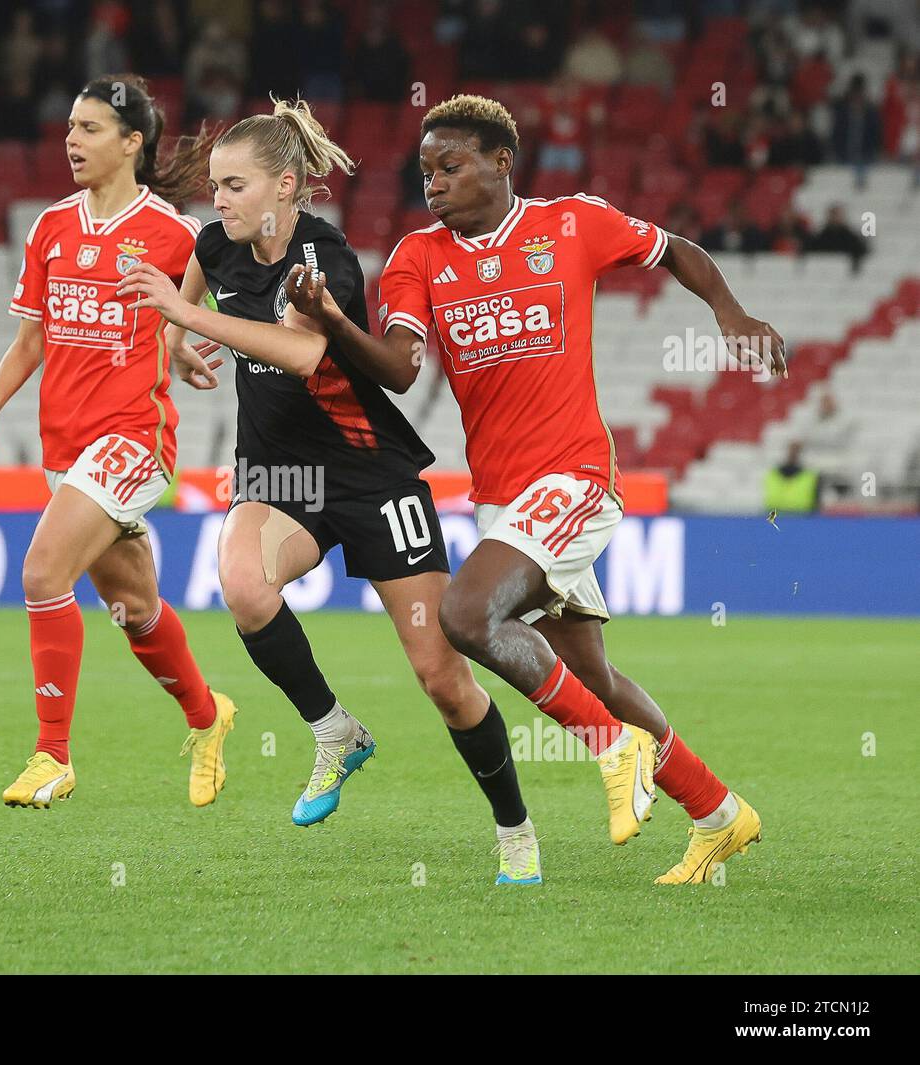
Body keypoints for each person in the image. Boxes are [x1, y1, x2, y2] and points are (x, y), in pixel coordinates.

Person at [284, 95, 783, 884]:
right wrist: (336, 324)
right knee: (594, 676)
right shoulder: (419, 257)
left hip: (577, 474)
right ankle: (720, 812)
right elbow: (402, 370)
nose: (435, 183)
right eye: (425, 172)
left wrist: (731, 311)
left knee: (464, 613)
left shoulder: (572, 224)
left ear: (501, 161)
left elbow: (675, 247)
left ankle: (613, 749)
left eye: (451, 166)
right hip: (503, 499)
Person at [118, 99, 541, 884]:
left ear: (285, 186)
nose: (220, 200)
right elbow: (194, 285)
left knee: (443, 679)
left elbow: (307, 353)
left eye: (235, 185)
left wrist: (186, 318)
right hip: (282, 476)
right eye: (215, 184)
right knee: (243, 584)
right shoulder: (218, 244)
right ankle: (334, 729)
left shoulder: (328, 258)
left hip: (372, 476)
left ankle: (515, 827)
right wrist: (178, 343)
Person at [0, 75, 237, 811]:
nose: (71, 141)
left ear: (131, 143)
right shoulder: (49, 227)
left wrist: (178, 345)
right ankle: (210, 716)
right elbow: (31, 340)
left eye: (88, 129)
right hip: (65, 448)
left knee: (41, 572)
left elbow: (187, 311)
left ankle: (52, 755)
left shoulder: (177, 234)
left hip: (132, 440)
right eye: (70, 127)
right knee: (135, 606)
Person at [764, 442, 820, 514]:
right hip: (775, 518)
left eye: (796, 451)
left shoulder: (810, 476)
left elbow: (816, 504)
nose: (793, 454)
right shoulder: (771, 475)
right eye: (791, 451)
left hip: (802, 518)